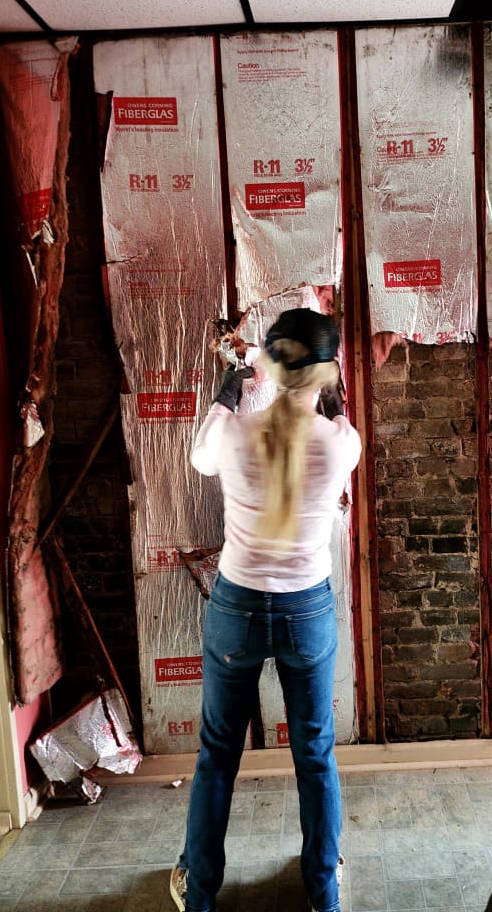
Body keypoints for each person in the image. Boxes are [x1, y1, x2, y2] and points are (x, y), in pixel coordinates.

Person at [171, 308, 362, 912]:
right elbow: (331, 415)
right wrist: (315, 384)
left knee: (218, 755)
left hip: (238, 607)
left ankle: (199, 895)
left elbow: (206, 450)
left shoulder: (232, 435)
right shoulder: (341, 445)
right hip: (306, 609)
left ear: (271, 361)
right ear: (327, 374)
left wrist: (234, 382)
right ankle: (323, 894)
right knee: (314, 752)